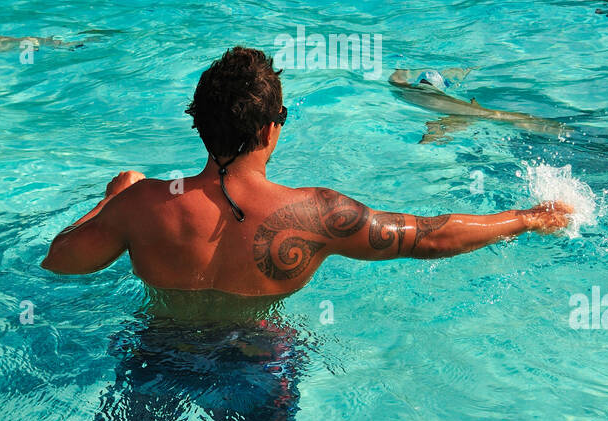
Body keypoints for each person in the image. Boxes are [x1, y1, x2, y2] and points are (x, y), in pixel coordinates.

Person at [43, 46, 571, 296]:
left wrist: (114, 198)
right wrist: (527, 217)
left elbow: (60, 262)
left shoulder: (144, 204)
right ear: (274, 127)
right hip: (260, 358)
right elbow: (428, 238)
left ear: (198, 126)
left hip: (160, 354)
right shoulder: (317, 213)